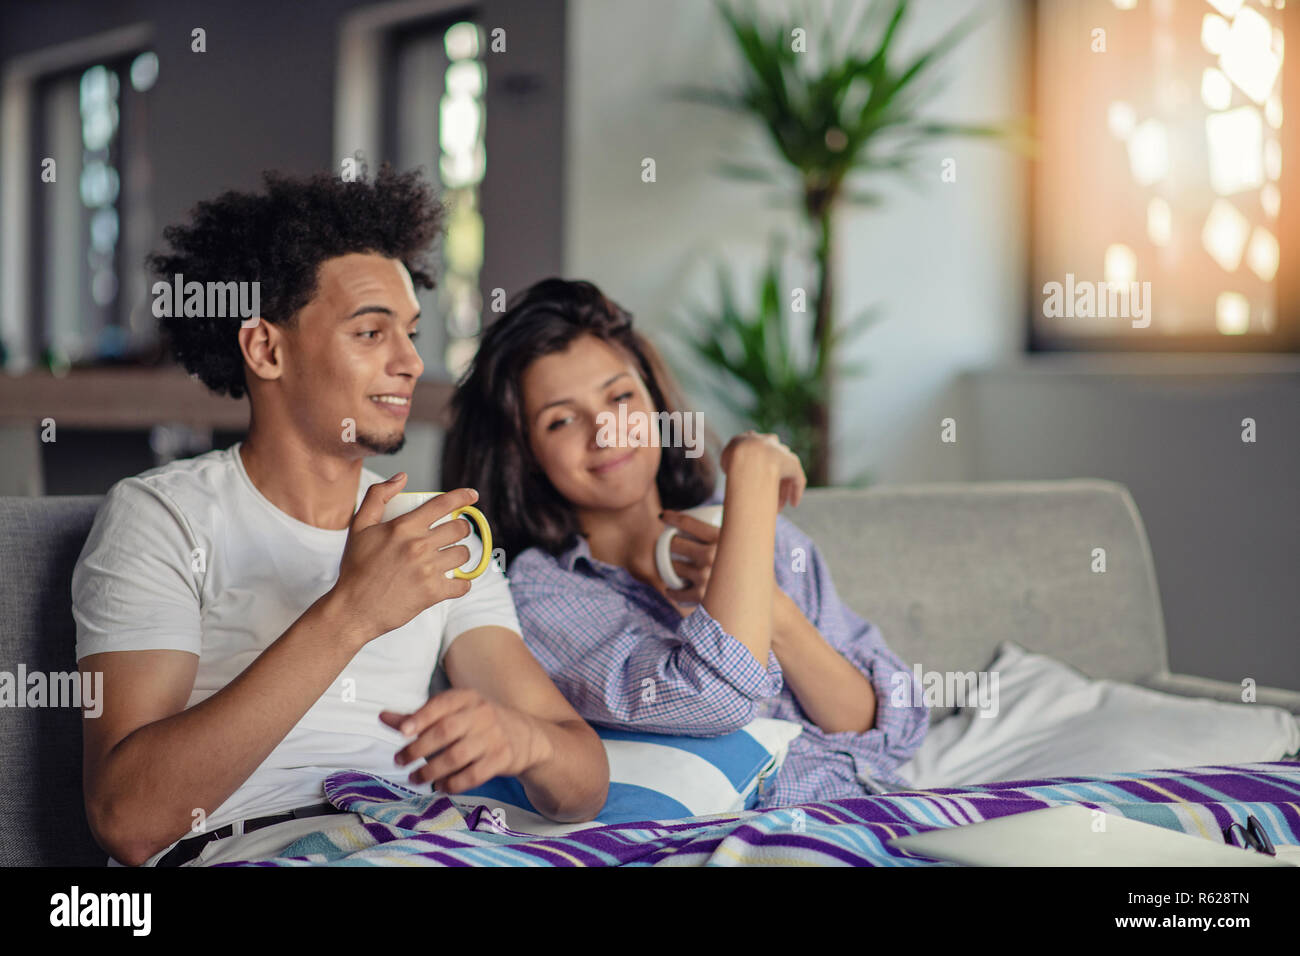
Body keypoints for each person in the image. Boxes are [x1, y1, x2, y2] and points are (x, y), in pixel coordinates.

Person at [73, 169, 608, 868]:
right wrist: (353, 610)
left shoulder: (435, 531)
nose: (411, 362)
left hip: (432, 837)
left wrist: (524, 742)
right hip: (261, 845)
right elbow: (129, 821)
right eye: (370, 332)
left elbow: (583, 786)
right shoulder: (163, 516)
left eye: (411, 333)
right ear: (267, 349)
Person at [441, 278, 928, 809]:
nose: (606, 430)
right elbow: (717, 698)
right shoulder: (540, 596)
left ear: (653, 399)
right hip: (754, 835)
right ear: (525, 454)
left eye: (620, 396)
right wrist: (749, 474)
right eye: (561, 420)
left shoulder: (755, 529)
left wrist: (772, 607)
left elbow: (892, 725)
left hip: (871, 811)